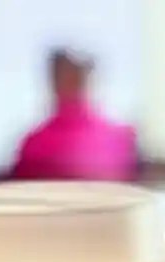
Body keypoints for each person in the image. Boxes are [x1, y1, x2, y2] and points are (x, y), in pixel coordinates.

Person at [11, 49, 137, 181]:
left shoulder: (121, 138)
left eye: (73, 76)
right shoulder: (34, 144)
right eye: (64, 76)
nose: (70, 82)